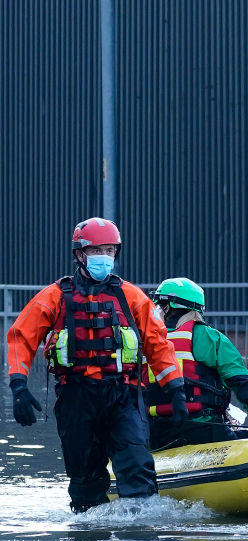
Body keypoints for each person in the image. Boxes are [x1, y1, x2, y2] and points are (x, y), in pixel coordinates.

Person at [6, 217, 186, 513]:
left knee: (137, 467)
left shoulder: (131, 296)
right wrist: (18, 386)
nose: (104, 256)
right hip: (76, 397)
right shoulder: (55, 296)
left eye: (109, 250)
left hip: (124, 395)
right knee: (85, 479)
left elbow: (158, 343)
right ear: (80, 254)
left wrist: (175, 389)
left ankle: (141, 532)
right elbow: (20, 337)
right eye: (96, 250)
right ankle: (88, 535)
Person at [144, 277, 248, 450]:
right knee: (243, 436)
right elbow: (245, 388)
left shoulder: (146, 342)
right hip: (203, 429)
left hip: (156, 434)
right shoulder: (211, 338)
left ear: (167, 307)